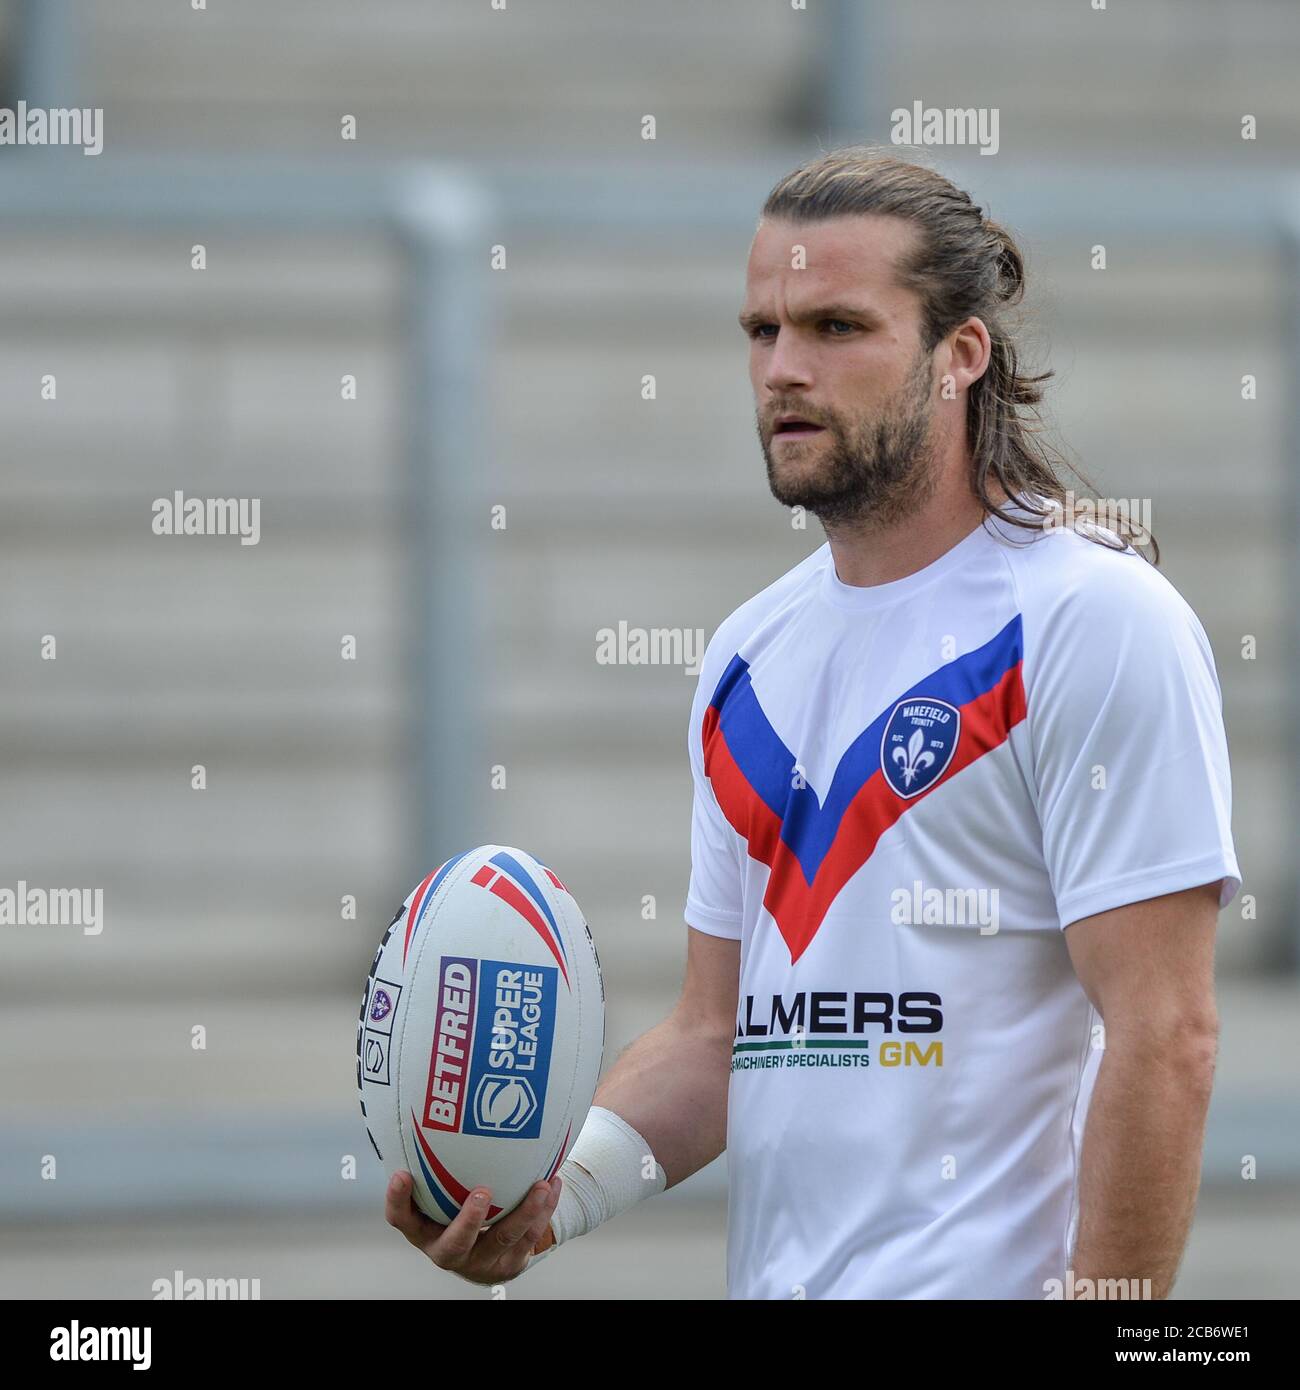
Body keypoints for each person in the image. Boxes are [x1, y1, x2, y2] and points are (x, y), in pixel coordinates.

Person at [385, 146, 1240, 1299]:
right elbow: (715, 1037)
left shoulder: (1095, 621)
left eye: (837, 327)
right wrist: (546, 1202)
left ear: (960, 357)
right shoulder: (748, 652)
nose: (784, 368)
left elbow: (1165, 1036)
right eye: (761, 330)